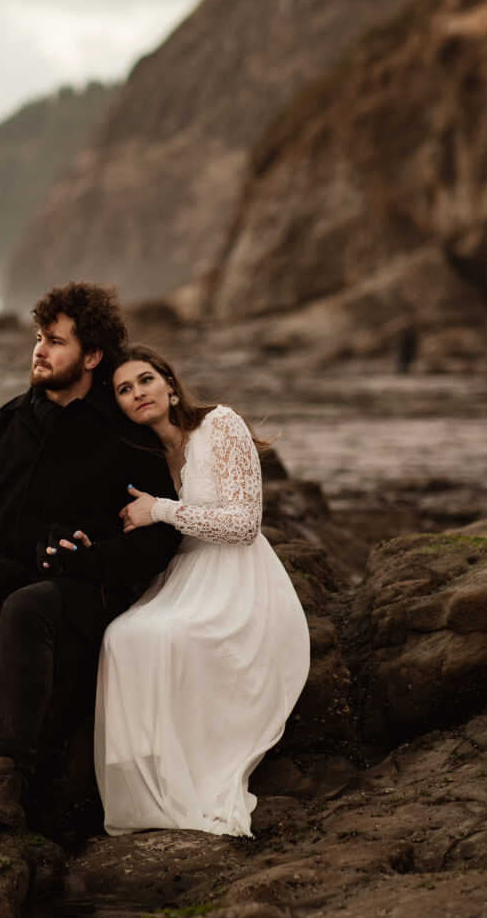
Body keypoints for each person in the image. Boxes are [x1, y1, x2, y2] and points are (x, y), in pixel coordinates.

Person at [0, 283, 182, 833]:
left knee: (29, 607)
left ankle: (2, 785)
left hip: (75, 608)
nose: (39, 351)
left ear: (92, 357)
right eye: (38, 338)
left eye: (55, 341)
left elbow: (157, 537)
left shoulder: (127, 439)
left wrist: (94, 562)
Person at [93, 344, 310, 836]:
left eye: (145, 380)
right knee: (123, 638)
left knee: (177, 638)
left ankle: (200, 777)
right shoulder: (141, 455)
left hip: (238, 574)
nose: (137, 394)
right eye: (124, 390)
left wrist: (162, 509)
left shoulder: (221, 425)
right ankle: (157, 782)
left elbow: (246, 525)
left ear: (169, 385)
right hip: (184, 574)